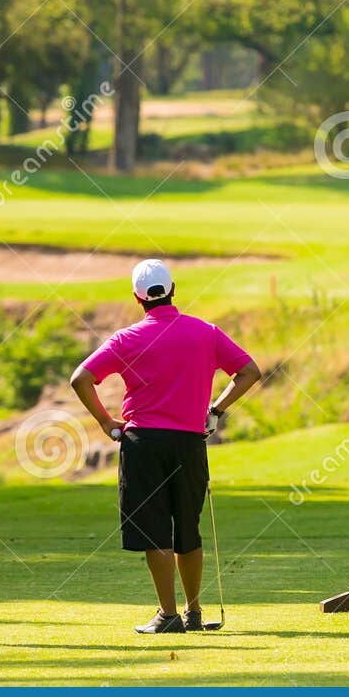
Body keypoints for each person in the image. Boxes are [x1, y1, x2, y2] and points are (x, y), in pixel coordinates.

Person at [70, 259, 262, 634]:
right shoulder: (205, 332)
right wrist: (217, 409)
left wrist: (106, 422)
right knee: (187, 528)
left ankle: (167, 614)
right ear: (173, 290)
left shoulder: (127, 338)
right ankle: (193, 612)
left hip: (144, 443)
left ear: (137, 298)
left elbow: (81, 379)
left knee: (155, 530)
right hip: (189, 443)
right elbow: (250, 371)